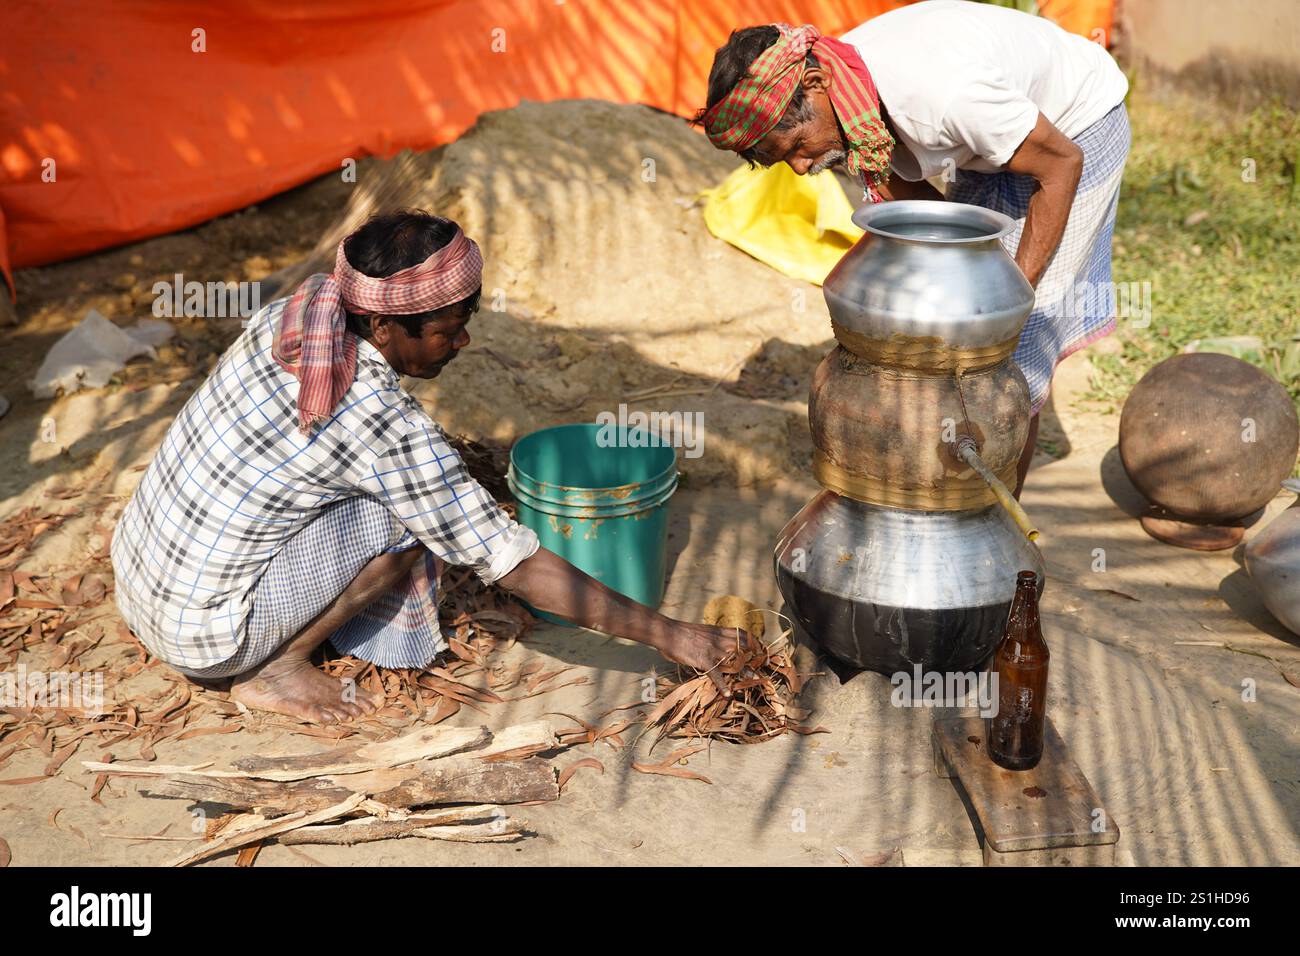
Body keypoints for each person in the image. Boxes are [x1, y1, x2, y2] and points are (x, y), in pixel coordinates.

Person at [111, 210, 737, 724]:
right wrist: (675, 637)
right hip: (210, 639)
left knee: (403, 490)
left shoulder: (296, 315)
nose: (461, 343)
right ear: (383, 322)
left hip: (143, 581)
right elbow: (510, 561)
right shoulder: (381, 424)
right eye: (447, 329)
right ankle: (275, 667)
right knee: (412, 522)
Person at [695, 1, 1131, 495]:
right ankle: (946, 475)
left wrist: (1012, 293)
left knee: (1012, 342)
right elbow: (932, 219)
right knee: (960, 302)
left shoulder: (941, 97)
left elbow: (1060, 163)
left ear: (816, 86)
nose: (799, 168)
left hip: (1078, 130)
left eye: (796, 145)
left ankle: (994, 518)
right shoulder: (848, 111)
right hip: (997, 139)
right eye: (781, 160)